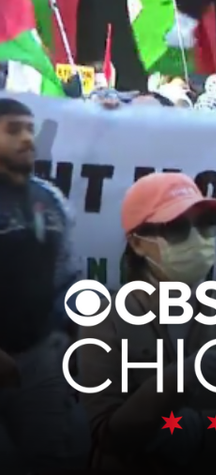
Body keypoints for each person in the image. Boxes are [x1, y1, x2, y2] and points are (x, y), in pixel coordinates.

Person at [78, 172, 216, 472]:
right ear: (138, 243)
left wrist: (202, 431)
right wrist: (178, 379)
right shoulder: (105, 317)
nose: (197, 239)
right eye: (176, 228)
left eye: (206, 223)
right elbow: (107, 432)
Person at [0, 97, 89, 472]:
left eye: (29, 129)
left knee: (53, 457)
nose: (26, 139)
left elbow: (70, 271)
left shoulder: (50, 199)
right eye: (12, 130)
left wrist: (77, 330)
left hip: (40, 358)